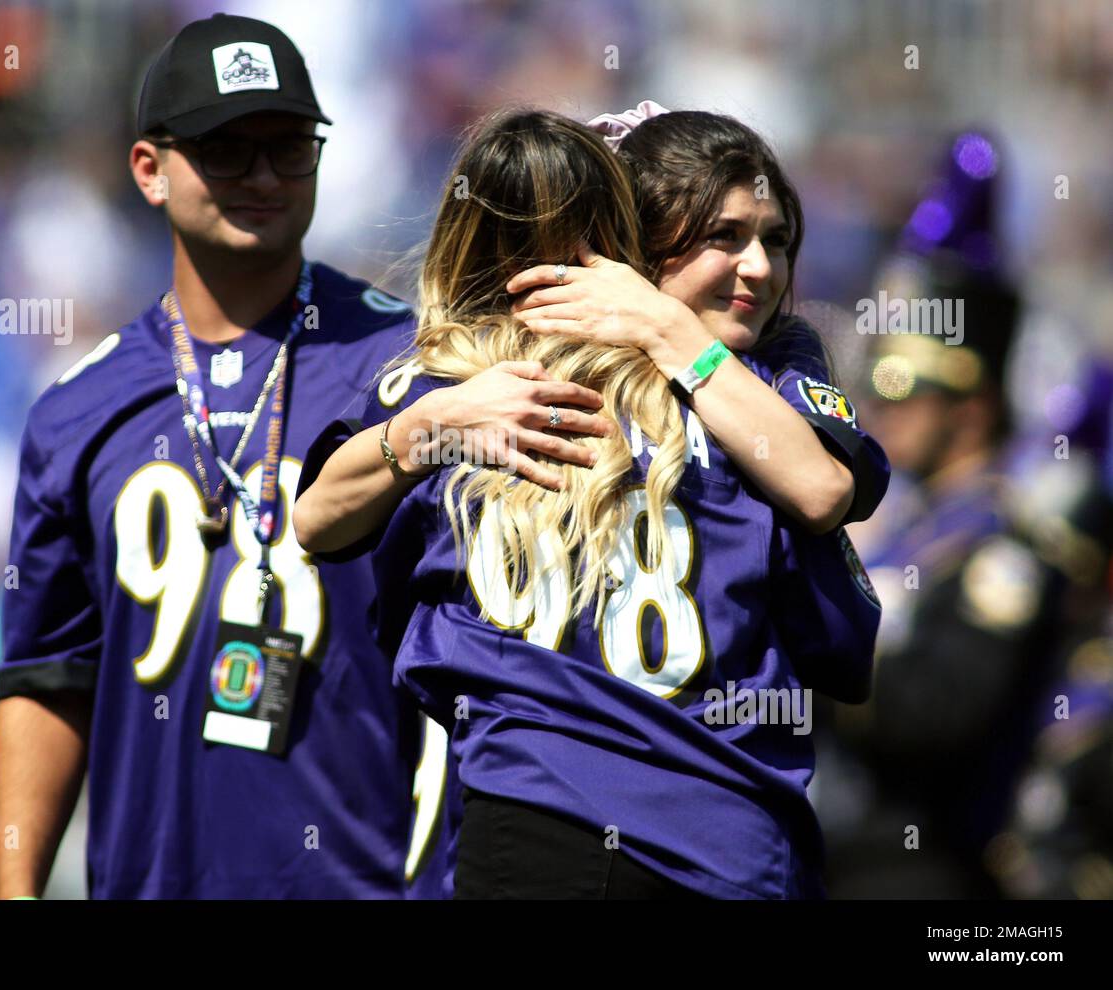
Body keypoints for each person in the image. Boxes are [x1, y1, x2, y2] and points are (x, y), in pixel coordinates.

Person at [297, 106, 888, 898]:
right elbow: (315, 520)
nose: (760, 268)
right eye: (725, 236)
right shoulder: (483, 366)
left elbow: (822, 491)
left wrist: (663, 325)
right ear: (631, 245)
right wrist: (426, 430)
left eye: (776, 240)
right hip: (538, 816)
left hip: (729, 833)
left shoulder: (773, 384)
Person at [0, 14, 518, 899]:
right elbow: (50, 678)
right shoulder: (77, 408)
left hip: (368, 880)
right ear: (150, 171)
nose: (264, 176)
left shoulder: (416, 368)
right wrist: (14, 891)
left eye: (289, 147)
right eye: (227, 150)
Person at [821, 131, 1096, 898]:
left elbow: (936, 716)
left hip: (936, 873)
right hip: (849, 854)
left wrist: (815, 643)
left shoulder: (1009, 545)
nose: (882, 409)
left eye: (908, 392)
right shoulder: (906, 525)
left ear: (972, 405)